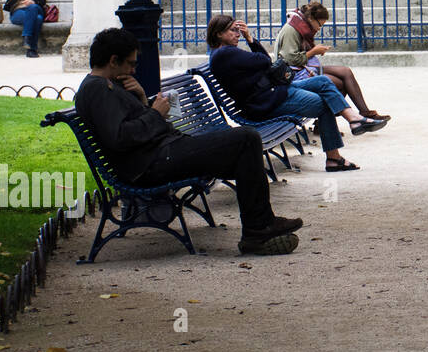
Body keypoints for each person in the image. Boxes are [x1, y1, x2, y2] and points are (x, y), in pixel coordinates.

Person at [75, 28, 303, 255]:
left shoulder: (109, 85)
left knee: (244, 148)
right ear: (113, 60)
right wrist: (155, 113)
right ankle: (258, 228)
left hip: (161, 153)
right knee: (245, 138)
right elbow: (120, 138)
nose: (133, 70)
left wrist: (143, 99)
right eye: (130, 64)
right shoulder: (97, 89)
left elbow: (130, 127)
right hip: (151, 163)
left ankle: (260, 227)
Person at [207, 14, 385, 173]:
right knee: (324, 103)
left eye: (238, 30)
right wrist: (251, 43)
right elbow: (264, 61)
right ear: (218, 34)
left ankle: (352, 120)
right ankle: (335, 156)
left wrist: (250, 39)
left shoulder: (225, 53)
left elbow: (263, 62)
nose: (238, 34)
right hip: (265, 103)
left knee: (323, 81)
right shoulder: (225, 53)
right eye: (233, 31)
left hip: (274, 93)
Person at [274, 1, 390, 121]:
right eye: (319, 25)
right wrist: (314, 51)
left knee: (346, 72)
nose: (319, 29)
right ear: (310, 18)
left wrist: (314, 51)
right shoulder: (292, 29)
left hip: (303, 67)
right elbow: (290, 60)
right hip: (293, 74)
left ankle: (365, 112)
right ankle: (325, 124)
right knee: (339, 84)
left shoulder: (301, 26)